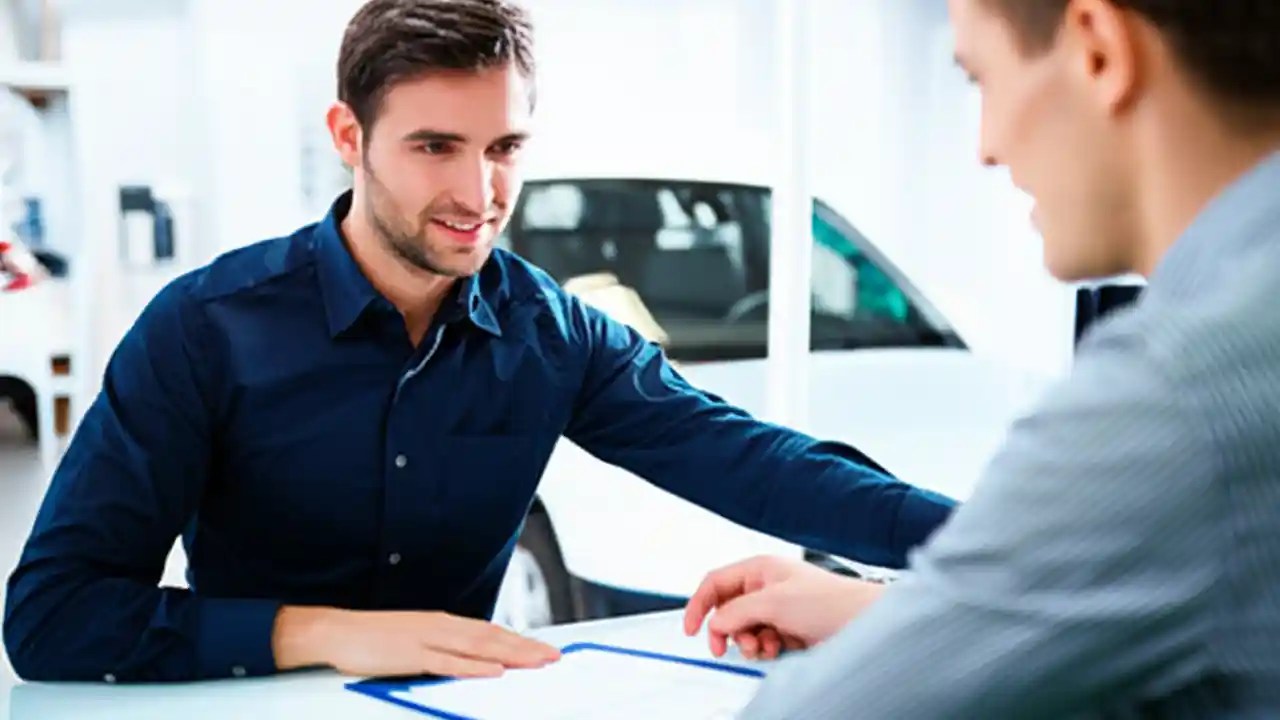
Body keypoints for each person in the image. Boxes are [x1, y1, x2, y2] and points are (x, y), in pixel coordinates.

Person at [1, 0, 956, 684]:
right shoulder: (204, 330)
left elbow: (763, 465)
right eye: (434, 147)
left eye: (503, 149)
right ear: (349, 134)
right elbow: (53, 618)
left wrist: (995, 550)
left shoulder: (555, 333)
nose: (478, 194)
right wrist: (329, 634)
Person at [684, 0, 1280, 716]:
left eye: (981, 80)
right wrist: (906, 614)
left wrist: (930, 624)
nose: (985, 146)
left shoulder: (1181, 387)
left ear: (1098, 52)